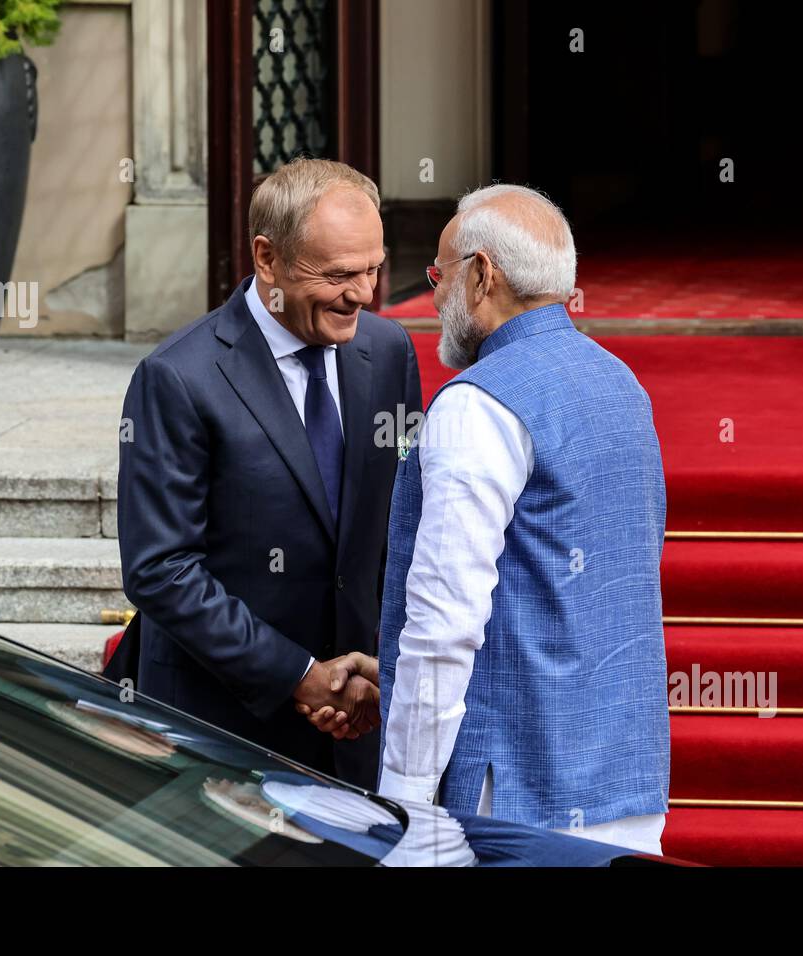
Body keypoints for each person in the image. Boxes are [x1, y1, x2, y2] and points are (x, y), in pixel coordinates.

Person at [304, 184, 670, 852]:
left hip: (515, 800)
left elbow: (444, 628)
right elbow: (592, 588)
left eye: (440, 276)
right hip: (629, 780)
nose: (438, 295)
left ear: (481, 275)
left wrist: (405, 804)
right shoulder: (623, 383)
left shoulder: (475, 405)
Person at [118, 158, 422, 788]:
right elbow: (160, 569)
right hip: (222, 733)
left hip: (356, 730)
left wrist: (379, 671)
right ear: (267, 258)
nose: (363, 294)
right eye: (338, 274)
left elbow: (400, 526)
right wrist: (297, 674)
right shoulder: (178, 377)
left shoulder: (388, 352)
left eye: (373, 268)